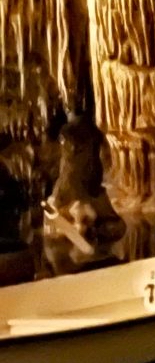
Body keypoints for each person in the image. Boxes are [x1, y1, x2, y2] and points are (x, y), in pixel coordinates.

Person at [40, 116, 126, 276]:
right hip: (78, 269)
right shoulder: (68, 191)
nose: (101, 160)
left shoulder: (93, 192)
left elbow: (118, 227)